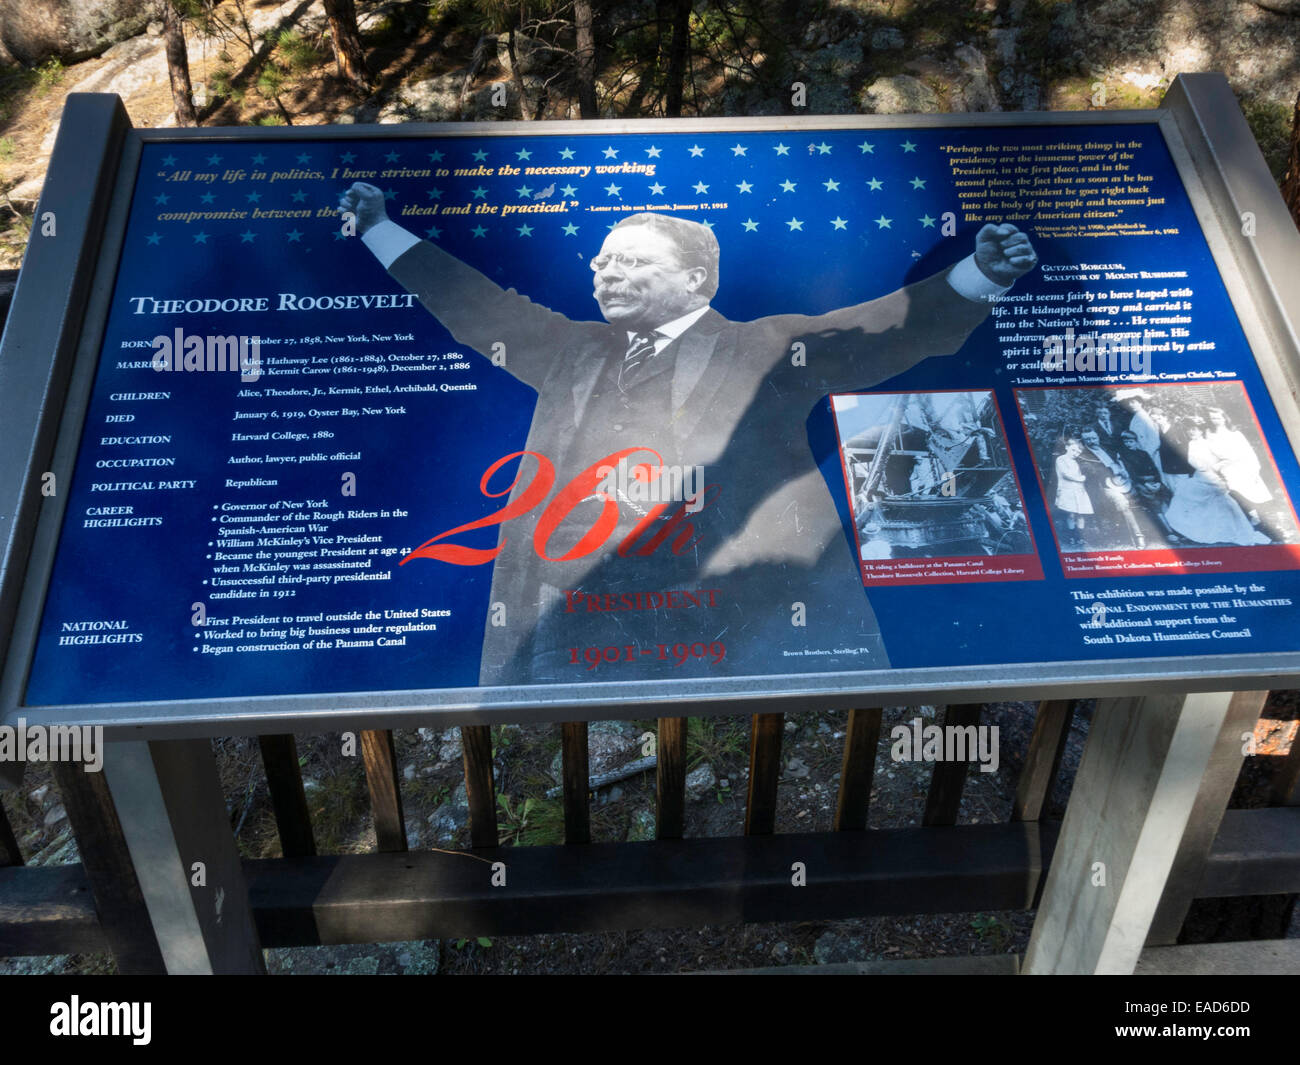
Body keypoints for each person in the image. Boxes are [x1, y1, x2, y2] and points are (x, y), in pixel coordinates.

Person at [339, 182, 1038, 683]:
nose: (607, 273)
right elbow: (478, 307)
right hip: (572, 619)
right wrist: (377, 228)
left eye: (633, 262)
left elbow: (879, 330)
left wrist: (981, 274)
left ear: (695, 278)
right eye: (602, 263)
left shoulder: (764, 345)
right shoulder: (570, 349)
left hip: (735, 611)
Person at [1165, 419, 1269, 546]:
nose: (1191, 432)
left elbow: (1228, 458)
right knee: (1186, 497)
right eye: (1189, 429)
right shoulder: (1192, 443)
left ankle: (1233, 529)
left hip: (1213, 478)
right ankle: (1198, 531)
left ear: (1201, 430)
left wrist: (1215, 467)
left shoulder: (1208, 443)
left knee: (1219, 504)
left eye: (1194, 429)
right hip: (1199, 476)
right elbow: (1193, 462)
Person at [1203, 407, 1274, 535]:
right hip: (1225, 466)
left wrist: (1254, 467)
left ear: (1224, 418)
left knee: (1249, 491)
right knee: (1235, 490)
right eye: (1213, 418)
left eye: (1218, 417)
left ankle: (1260, 519)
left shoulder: (1234, 432)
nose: (1216, 420)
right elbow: (1210, 451)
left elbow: (1247, 450)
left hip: (1241, 464)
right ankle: (1253, 516)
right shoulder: (1209, 433)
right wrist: (1218, 464)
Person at [1054, 438, 1092, 551]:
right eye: (1073, 450)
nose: (1076, 454)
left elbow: (1080, 473)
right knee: (1071, 514)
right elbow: (1066, 474)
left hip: (1079, 490)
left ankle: (1080, 537)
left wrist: (1082, 480)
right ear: (1067, 447)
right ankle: (1072, 537)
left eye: (1078, 452)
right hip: (1067, 490)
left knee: (1081, 514)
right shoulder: (1061, 459)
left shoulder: (1076, 462)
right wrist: (1081, 478)